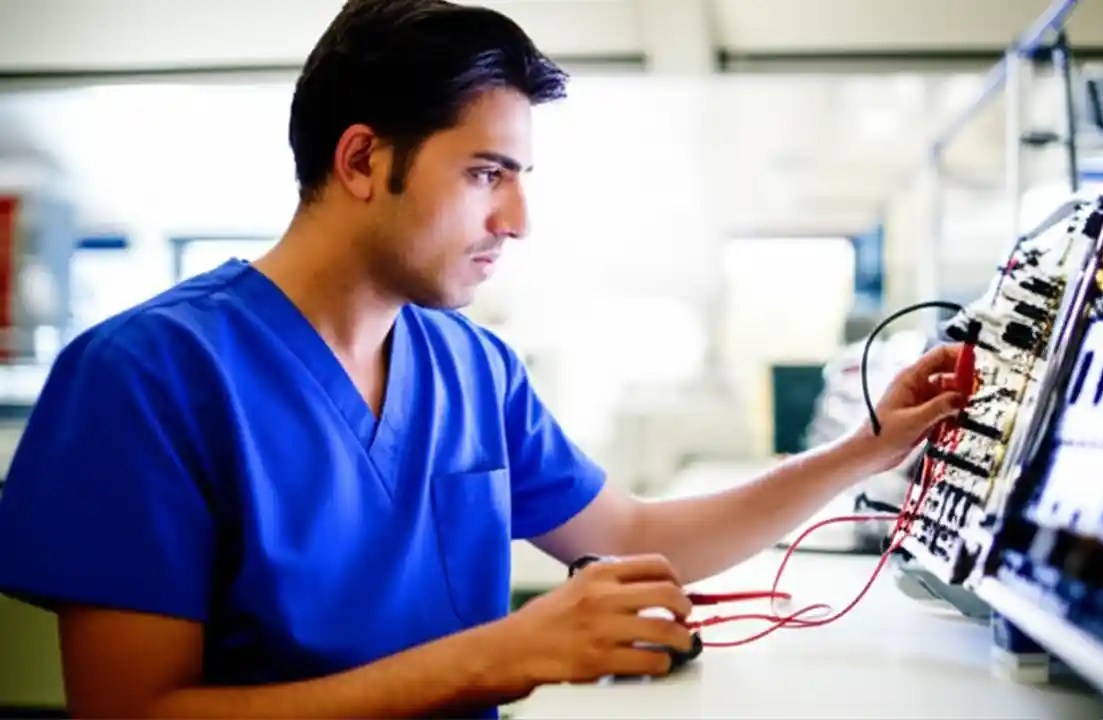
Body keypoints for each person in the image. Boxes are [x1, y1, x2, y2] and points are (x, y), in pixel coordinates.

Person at [0, 1, 966, 717]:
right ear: (363, 161)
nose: (517, 220)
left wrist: (865, 451)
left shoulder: (471, 367)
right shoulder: (144, 377)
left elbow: (630, 533)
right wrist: (499, 655)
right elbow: (130, 713)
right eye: (484, 175)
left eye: (519, 178)